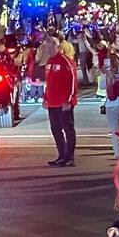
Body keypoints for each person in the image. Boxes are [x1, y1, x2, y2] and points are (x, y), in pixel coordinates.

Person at [41, 35, 78, 167]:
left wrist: (69, 99)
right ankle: (61, 156)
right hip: (52, 102)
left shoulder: (65, 61)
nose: (48, 49)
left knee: (68, 129)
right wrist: (45, 98)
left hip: (64, 103)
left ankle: (70, 157)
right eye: (46, 47)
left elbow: (72, 81)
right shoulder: (49, 62)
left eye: (50, 47)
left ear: (57, 46)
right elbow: (49, 82)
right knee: (55, 129)